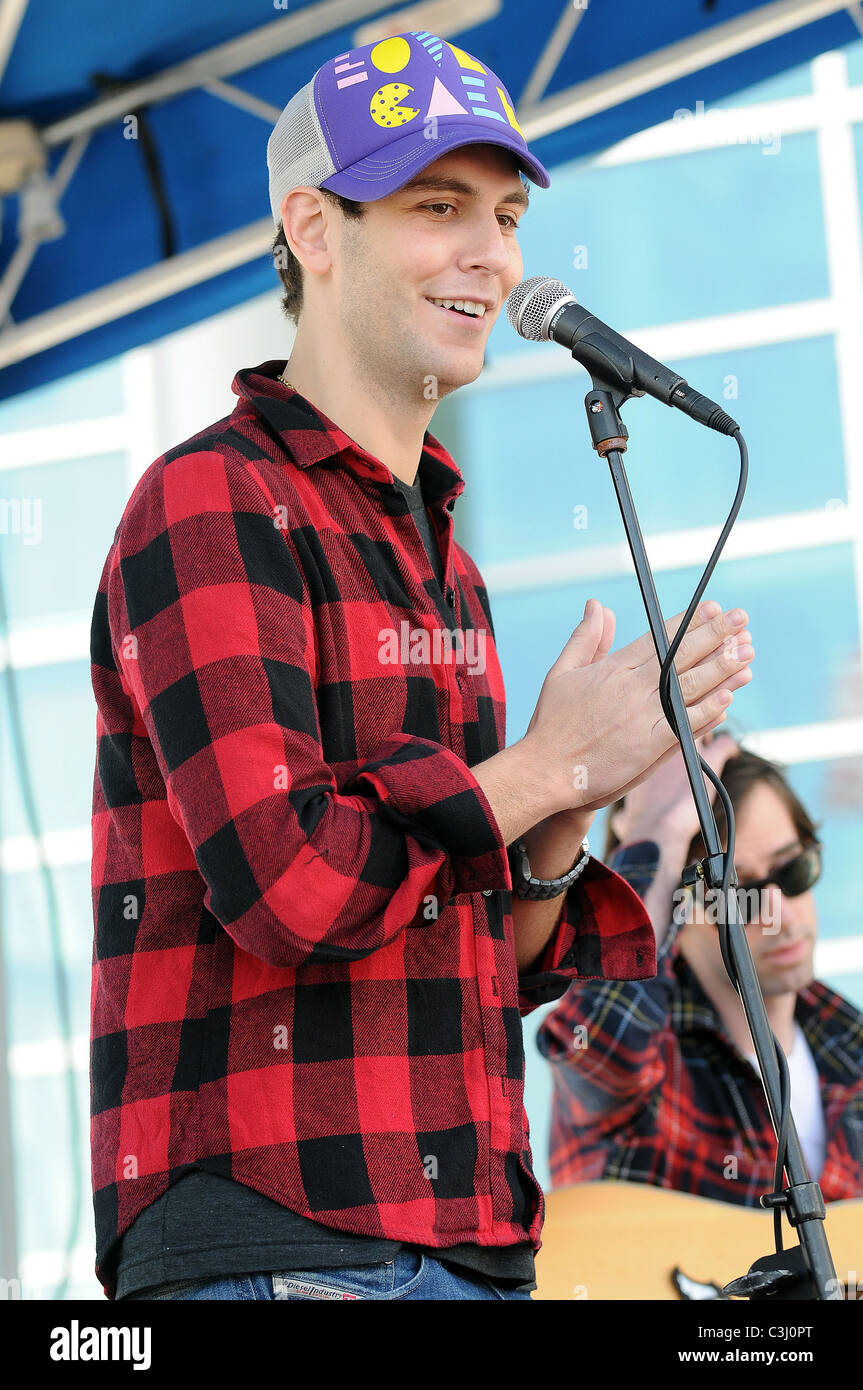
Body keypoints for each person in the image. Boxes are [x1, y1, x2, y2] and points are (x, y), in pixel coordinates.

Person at [88, 32, 755, 1302]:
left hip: (468, 1245)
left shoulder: (445, 561)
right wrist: (542, 764)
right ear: (314, 229)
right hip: (284, 1241)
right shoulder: (208, 499)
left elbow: (480, 960)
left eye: (503, 216)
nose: (490, 252)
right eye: (436, 206)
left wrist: (565, 809)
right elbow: (289, 886)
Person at [537, 732, 863, 1206]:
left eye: (794, 870)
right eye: (736, 893)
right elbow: (600, 1051)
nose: (781, 914)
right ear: (676, 905)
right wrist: (658, 834)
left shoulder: (851, 1048)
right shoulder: (643, 1057)